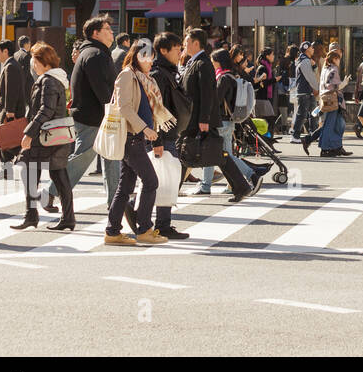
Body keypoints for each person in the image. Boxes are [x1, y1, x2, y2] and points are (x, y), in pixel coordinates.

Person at [103, 39, 176, 246]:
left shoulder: (142, 78)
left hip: (136, 138)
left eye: (152, 58)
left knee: (125, 187)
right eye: (147, 58)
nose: (151, 62)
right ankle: (144, 229)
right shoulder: (127, 75)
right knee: (151, 181)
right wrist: (145, 128)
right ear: (137, 56)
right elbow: (124, 107)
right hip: (130, 137)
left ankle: (112, 231)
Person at [44, 15, 118, 212]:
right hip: (94, 117)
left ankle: (116, 202)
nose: (112, 32)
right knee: (83, 158)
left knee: (112, 159)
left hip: (96, 116)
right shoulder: (95, 55)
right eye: (108, 29)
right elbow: (102, 89)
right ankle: (50, 192)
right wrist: (115, 110)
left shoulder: (94, 53)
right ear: (96, 33)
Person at [179, 28, 252, 202]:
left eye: (187, 41)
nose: (184, 45)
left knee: (189, 152)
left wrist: (204, 119)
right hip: (195, 117)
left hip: (200, 119)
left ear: (196, 43)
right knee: (208, 154)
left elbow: (207, 94)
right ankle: (242, 186)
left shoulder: (203, 63)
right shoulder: (195, 62)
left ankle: (168, 192)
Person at [10, 42, 76, 232]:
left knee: (33, 174)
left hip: (45, 138)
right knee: (56, 177)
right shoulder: (54, 79)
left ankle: (33, 216)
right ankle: (63, 218)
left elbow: (45, 110)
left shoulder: (48, 81)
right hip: (53, 137)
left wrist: (29, 133)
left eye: (35, 60)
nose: (32, 64)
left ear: (44, 62)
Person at [148, 31, 191, 240]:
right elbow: (155, 110)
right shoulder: (159, 74)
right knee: (163, 180)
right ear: (163, 50)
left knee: (165, 179)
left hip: (168, 135)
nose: (180, 52)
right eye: (177, 49)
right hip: (162, 137)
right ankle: (159, 224)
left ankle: (158, 222)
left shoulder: (167, 72)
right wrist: (157, 140)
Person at [0, 39, 32, 181]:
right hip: (9, 109)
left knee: (11, 142)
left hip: (10, 111)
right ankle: (6, 171)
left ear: (5, 51)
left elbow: (12, 90)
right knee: (6, 142)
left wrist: (9, 111)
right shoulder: (10, 64)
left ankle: (26, 162)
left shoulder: (11, 66)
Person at [302, 49, 348, 157]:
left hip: (325, 98)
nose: (339, 62)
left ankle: (333, 146)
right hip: (332, 99)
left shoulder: (325, 68)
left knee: (331, 124)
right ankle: (327, 148)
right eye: (338, 59)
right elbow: (332, 84)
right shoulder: (333, 69)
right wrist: (343, 84)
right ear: (335, 59)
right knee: (332, 124)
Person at [291, 41, 319, 140]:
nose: (313, 49)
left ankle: (313, 134)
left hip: (307, 91)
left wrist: (315, 65)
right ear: (307, 49)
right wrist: (317, 88)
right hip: (305, 91)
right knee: (302, 114)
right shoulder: (305, 61)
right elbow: (310, 77)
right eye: (312, 47)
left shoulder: (303, 60)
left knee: (313, 113)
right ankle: (295, 136)